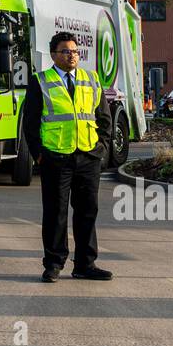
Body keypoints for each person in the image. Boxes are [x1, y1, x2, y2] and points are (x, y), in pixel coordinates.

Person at [23, 32, 113, 283]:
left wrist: (101, 148)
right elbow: (29, 124)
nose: (72, 55)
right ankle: (53, 264)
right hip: (56, 158)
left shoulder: (90, 79)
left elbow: (104, 118)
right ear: (53, 55)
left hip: (87, 156)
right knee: (55, 213)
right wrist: (40, 155)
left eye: (75, 51)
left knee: (87, 212)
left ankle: (85, 264)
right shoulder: (40, 81)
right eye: (66, 51)